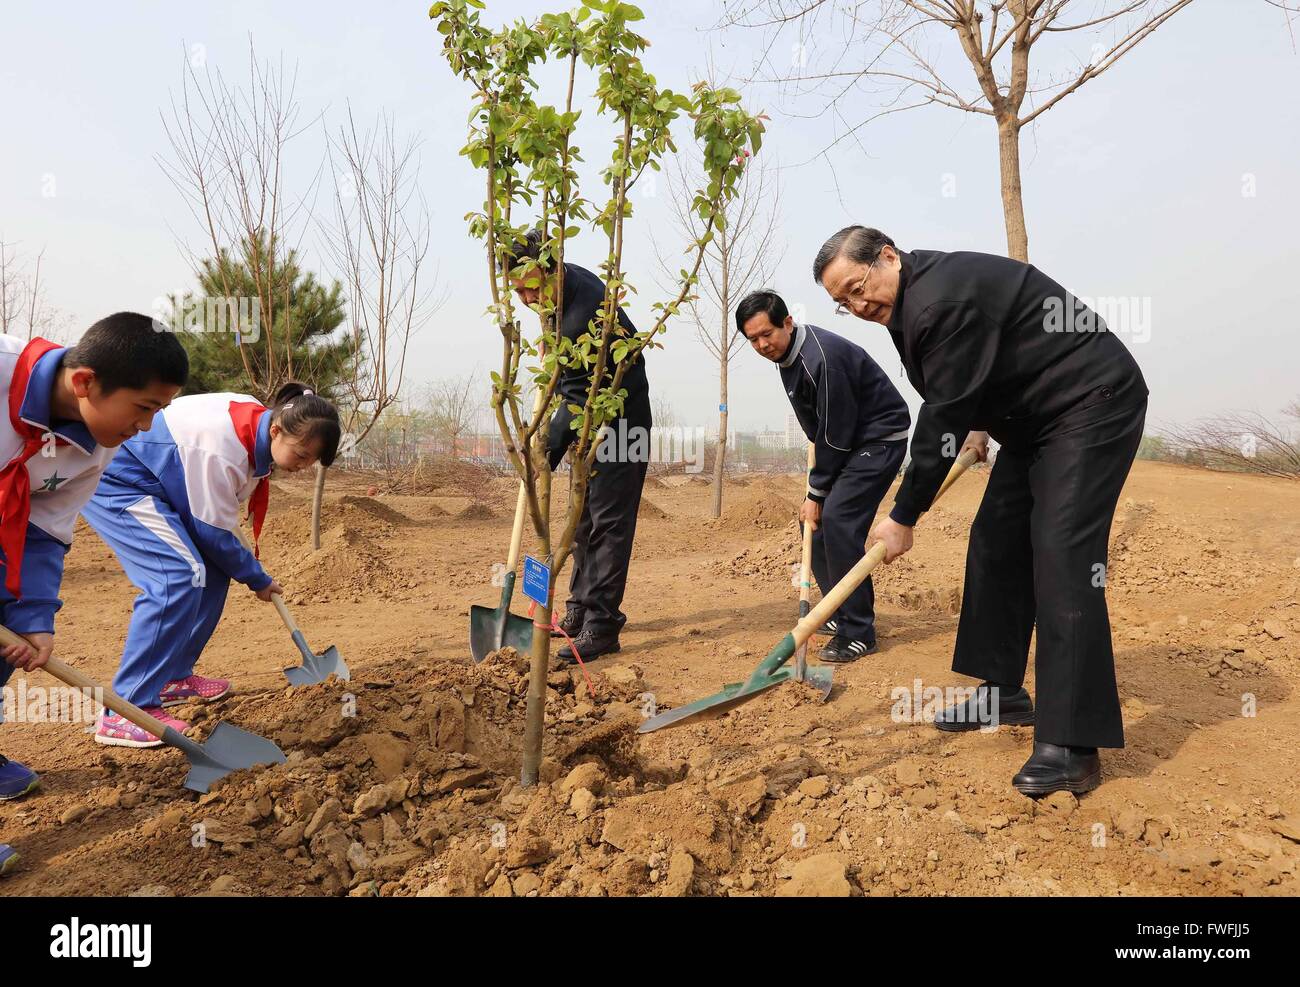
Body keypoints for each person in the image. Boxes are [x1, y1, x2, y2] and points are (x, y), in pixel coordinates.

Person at [813, 226, 1148, 797]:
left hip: (1089, 403)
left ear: (888, 256)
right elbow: (968, 379)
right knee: (995, 542)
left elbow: (938, 415)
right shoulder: (911, 301)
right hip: (1032, 419)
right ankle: (1002, 693)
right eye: (843, 303)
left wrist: (903, 515)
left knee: (1063, 558)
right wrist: (976, 422)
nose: (857, 305)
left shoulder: (940, 300)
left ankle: (1071, 746)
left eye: (857, 286)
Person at [0, 313, 188, 874]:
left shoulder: (97, 445)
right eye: (144, 408)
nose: (148, 427)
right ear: (85, 382)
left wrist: (34, 617)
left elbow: (45, 526)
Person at [81, 383, 340, 748]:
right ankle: (128, 708)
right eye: (300, 455)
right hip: (121, 480)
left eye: (311, 462)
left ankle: (172, 677)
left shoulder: (257, 427)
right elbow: (212, 533)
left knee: (214, 570)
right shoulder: (222, 448)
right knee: (178, 576)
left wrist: (243, 568)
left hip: (164, 486)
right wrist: (257, 577)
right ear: (276, 430)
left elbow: (214, 528)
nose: (302, 466)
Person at [736, 289, 910, 661]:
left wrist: (816, 493)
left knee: (838, 519)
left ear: (787, 322)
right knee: (811, 526)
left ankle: (859, 630)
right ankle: (835, 607)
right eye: (753, 339)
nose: (762, 344)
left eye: (767, 334)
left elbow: (836, 432)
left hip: (877, 440)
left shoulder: (822, 359)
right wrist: (816, 489)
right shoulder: (787, 356)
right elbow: (823, 429)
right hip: (847, 442)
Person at [505, 231, 651, 664]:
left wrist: (543, 453)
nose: (528, 297)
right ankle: (578, 610)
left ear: (551, 268)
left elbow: (574, 396)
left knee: (607, 524)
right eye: (518, 291)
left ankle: (602, 627)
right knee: (582, 521)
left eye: (533, 285)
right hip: (591, 425)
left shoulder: (580, 313)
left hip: (622, 425)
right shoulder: (560, 294)